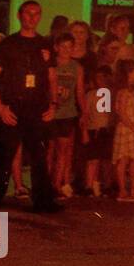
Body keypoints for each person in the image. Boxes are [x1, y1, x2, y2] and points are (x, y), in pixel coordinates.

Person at [0, 1, 59, 213]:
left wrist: (53, 105)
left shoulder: (44, 44)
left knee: (39, 156)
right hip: (13, 108)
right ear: (20, 15)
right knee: (5, 155)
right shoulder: (8, 44)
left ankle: (43, 201)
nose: (32, 18)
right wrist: (0, 108)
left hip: (37, 108)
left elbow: (52, 77)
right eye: (28, 13)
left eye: (37, 13)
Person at [48, 32, 85, 199]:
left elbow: (80, 92)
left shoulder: (76, 68)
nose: (66, 50)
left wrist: (84, 112)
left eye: (70, 47)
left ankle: (56, 184)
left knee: (63, 149)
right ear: (56, 48)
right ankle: (46, 183)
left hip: (67, 113)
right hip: (50, 112)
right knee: (49, 149)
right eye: (63, 46)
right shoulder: (51, 64)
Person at [112, 59, 134, 202]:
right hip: (127, 129)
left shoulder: (131, 91)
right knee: (124, 159)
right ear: (129, 74)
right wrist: (133, 127)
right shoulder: (124, 92)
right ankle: (123, 190)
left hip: (132, 129)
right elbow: (122, 113)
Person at [80, 63, 113, 197]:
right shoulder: (91, 95)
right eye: (98, 77)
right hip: (94, 130)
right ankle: (89, 186)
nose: (100, 80)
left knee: (105, 160)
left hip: (106, 130)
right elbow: (85, 115)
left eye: (103, 77)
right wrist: (84, 132)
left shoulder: (111, 93)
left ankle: (103, 185)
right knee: (92, 159)